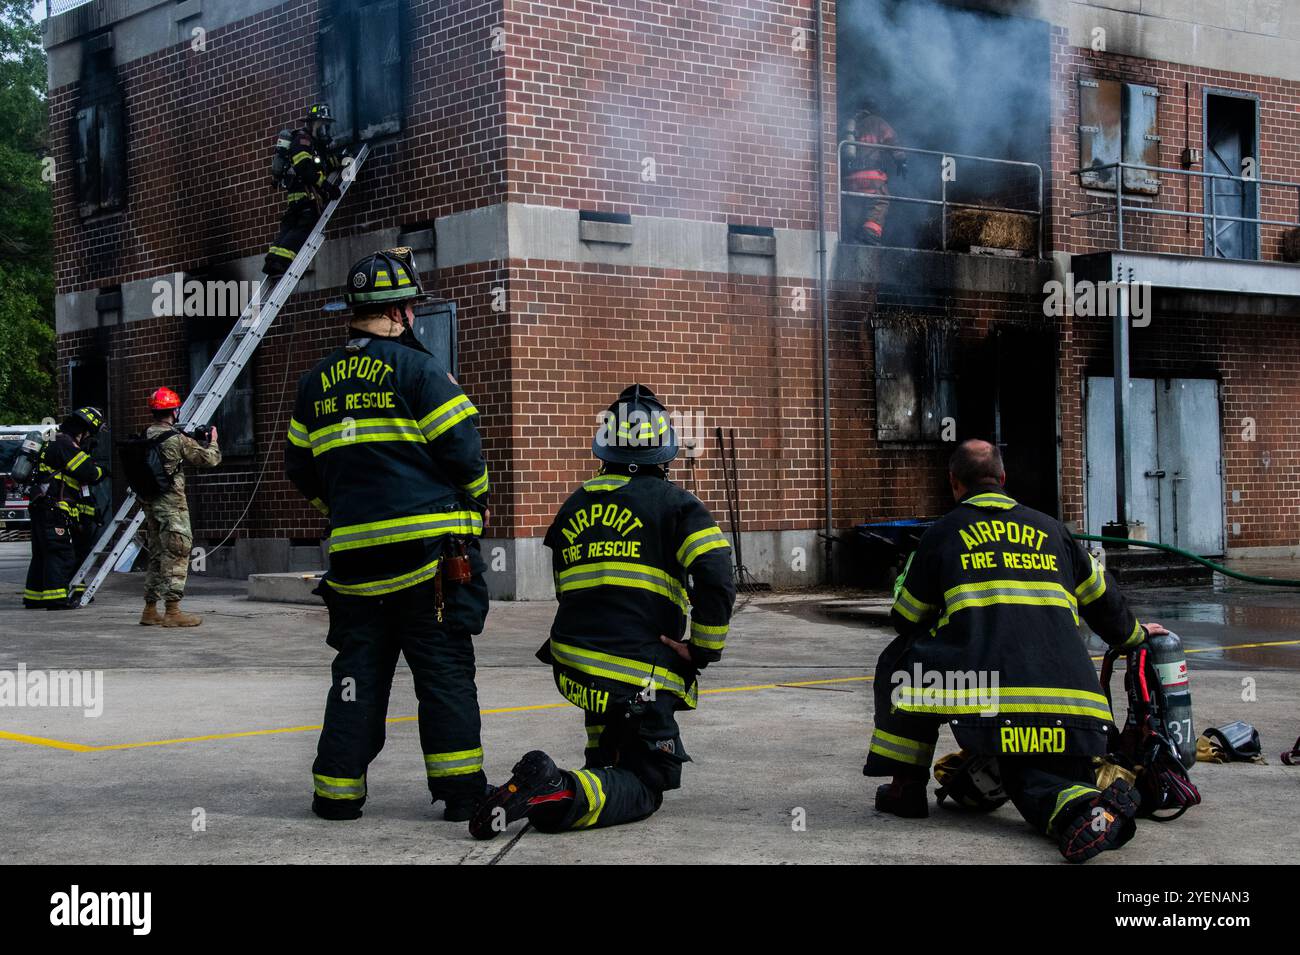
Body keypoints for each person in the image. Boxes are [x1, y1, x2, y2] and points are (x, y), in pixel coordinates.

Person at [864, 439, 1169, 863]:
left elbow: (907, 618)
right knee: (1036, 777)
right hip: (1078, 706)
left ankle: (906, 788)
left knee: (901, 662)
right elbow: (1104, 602)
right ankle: (1087, 803)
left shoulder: (942, 535)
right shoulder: (1054, 530)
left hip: (991, 698)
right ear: (1003, 479)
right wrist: (1137, 637)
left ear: (953, 483)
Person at [469, 385, 735, 840]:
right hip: (636, 672)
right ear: (664, 451)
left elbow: (566, 587)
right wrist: (702, 649)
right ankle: (555, 789)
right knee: (649, 783)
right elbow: (717, 576)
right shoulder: (677, 506)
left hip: (574, 663)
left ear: (604, 447)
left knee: (611, 731)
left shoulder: (575, 503)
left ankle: (597, 767)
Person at [285, 247, 492, 823]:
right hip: (431, 563)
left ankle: (336, 793)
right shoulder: (422, 371)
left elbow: (300, 469)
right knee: (444, 673)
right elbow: (463, 452)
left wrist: (345, 510)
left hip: (353, 565)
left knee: (356, 675)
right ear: (402, 312)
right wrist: (474, 505)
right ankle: (461, 795)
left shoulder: (314, 383)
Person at [138, 388, 222, 627]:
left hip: (150, 503)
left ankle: (150, 609)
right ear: (174, 411)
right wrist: (213, 441)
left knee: (156, 554)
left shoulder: (145, 434)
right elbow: (209, 460)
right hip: (172, 504)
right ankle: (173, 611)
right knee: (178, 552)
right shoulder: (175, 438)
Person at [23, 407, 106, 609]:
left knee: (43, 553)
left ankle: (34, 597)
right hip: (54, 507)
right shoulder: (65, 443)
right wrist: (101, 471)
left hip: (41, 505)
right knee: (61, 552)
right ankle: (56, 598)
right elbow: (86, 472)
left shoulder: (52, 439)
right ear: (84, 430)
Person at [262, 103, 343, 278]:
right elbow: (305, 168)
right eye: (322, 125)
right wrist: (326, 186)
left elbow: (321, 165)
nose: (325, 129)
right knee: (303, 229)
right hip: (305, 195)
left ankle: (272, 261)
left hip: (298, 196)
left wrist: (340, 160)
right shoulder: (303, 140)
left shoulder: (313, 144)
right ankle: (281, 262)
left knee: (289, 228)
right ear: (312, 123)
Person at [843, 103, 901, 246]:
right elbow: (892, 141)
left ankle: (853, 237)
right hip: (872, 175)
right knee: (881, 200)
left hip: (851, 177)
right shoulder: (878, 122)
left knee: (855, 204)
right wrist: (902, 160)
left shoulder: (851, 125)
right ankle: (870, 234)